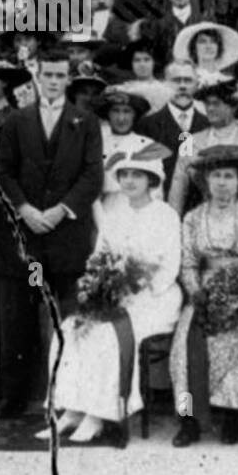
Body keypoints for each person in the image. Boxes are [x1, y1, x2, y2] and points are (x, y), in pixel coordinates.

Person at [0, 48, 104, 417]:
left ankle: (69, 399)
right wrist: (24, 210)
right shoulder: (16, 121)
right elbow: (4, 172)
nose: (54, 81)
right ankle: (14, 398)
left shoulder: (85, 122)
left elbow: (92, 175)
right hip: (27, 240)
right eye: (48, 75)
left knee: (68, 319)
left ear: (68, 78)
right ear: (37, 76)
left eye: (60, 75)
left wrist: (60, 211)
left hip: (65, 236)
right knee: (18, 318)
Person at [43, 153, 182, 443]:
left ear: (151, 180)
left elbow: (170, 265)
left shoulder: (165, 214)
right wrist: (101, 284)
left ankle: (99, 414)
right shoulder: (114, 215)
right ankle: (71, 409)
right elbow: (98, 256)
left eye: (138, 175)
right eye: (125, 175)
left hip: (155, 299)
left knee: (107, 336)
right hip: (115, 296)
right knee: (70, 330)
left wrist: (138, 284)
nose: (129, 181)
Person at [169, 145, 238, 446]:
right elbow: (188, 263)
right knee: (184, 348)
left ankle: (233, 415)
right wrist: (196, 292)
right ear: (205, 180)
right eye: (216, 175)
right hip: (204, 292)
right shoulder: (192, 218)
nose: (222, 182)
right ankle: (188, 420)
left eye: (229, 176)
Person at [169, 77, 238, 217]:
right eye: (207, 104)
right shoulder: (191, 141)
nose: (210, 108)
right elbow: (178, 186)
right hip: (203, 217)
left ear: (233, 106)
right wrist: (175, 223)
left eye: (216, 104)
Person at [137, 60, 212, 195]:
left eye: (188, 80)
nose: (182, 86)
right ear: (164, 84)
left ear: (197, 84)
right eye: (176, 81)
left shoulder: (209, 125)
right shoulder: (146, 126)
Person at [173, 21, 238, 88]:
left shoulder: (228, 82)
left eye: (213, 41)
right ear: (194, 47)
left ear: (218, 47)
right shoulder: (186, 81)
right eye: (202, 41)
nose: (208, 46)